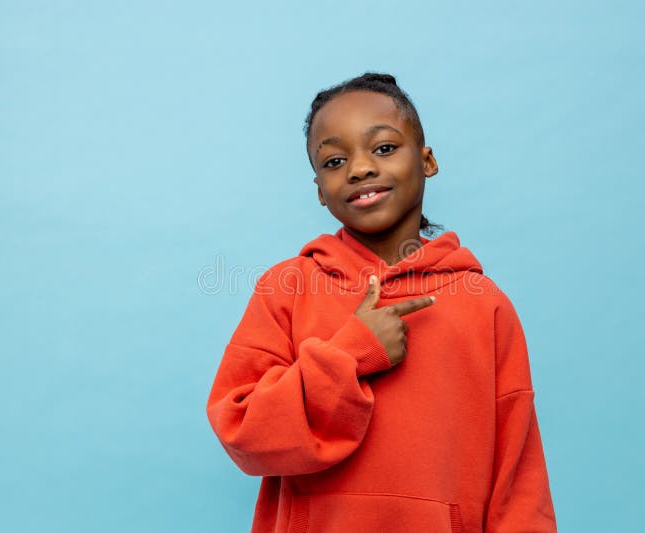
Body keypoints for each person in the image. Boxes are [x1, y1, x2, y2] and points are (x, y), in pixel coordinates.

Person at [206, 72, 557, 532]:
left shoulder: (483, 305)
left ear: (427, 161)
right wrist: (350, 354)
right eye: (334, 160)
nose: (359, 168)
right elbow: (242, 431)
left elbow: (519, 476)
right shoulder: (286, 288)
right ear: (318, 189)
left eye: (384, 148)